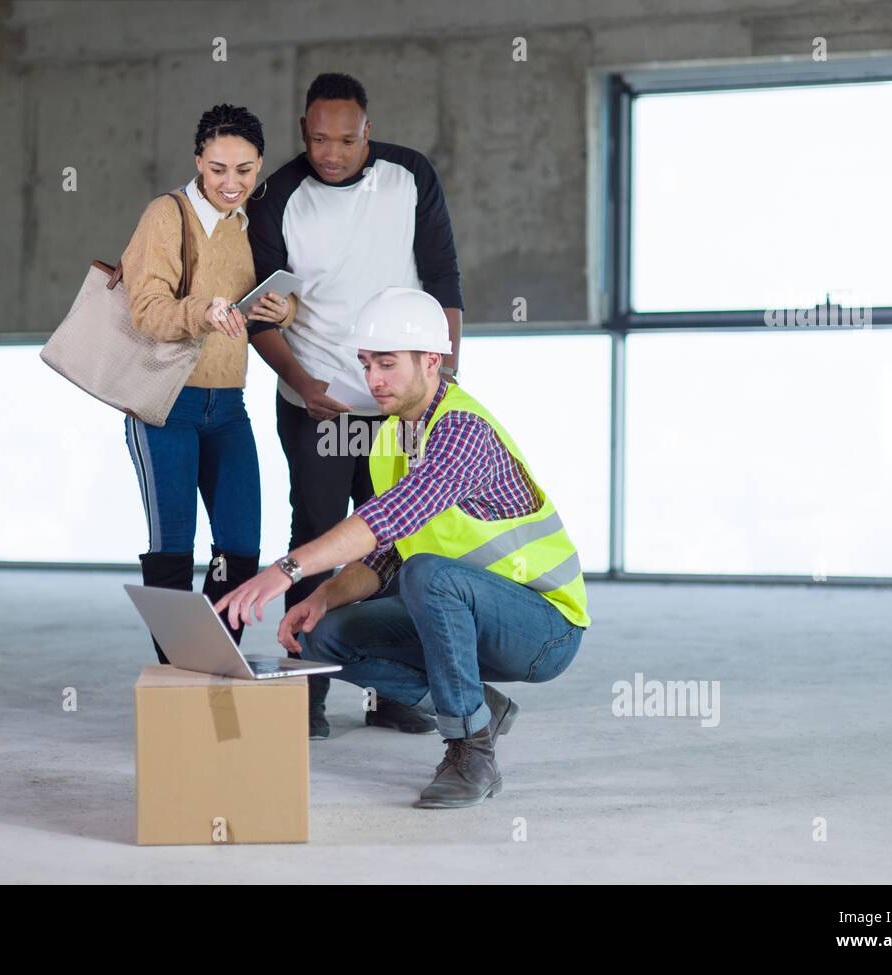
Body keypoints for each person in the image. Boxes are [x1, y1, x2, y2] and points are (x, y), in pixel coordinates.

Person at [215, 287, 591, 809]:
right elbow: (383, 551)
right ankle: (482, 708)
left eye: (387, 364)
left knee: (428, 576)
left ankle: (471, 752)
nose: (373, 380)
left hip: (544, 628)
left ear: (431, 361)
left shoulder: (462, 429)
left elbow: (389, 516)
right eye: (367, 364)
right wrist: (320, 598)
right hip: (468, 610)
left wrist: (286, 568)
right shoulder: (392, 437)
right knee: (326, 636)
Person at [245, 72, 465, 739]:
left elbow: (443, 279)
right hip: (319, 402)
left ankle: (389, 691)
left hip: (398, 407)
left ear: (367, 129)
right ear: (303, 132)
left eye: (345, 138)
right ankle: (303, 691)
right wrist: (302, 381)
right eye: (318, 139)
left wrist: (445, 378)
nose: (332, 152)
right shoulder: (280, 195)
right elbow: (259, 314)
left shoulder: (409, 176)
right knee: (314, 537)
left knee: (397, 544)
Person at [111, 104, 296, 658]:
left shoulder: (246, 225)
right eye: (217, 168)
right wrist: (203, 311)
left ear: (259, 166)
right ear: (198, 162)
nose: (231, 182)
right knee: (172, 548)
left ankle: (215, 662)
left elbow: (254, 310)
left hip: (228, 406)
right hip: (164, 405)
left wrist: (279, 310)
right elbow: (147, 310)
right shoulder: (167, 216)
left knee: (239, 546)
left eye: (244, 170)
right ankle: (179, 676)